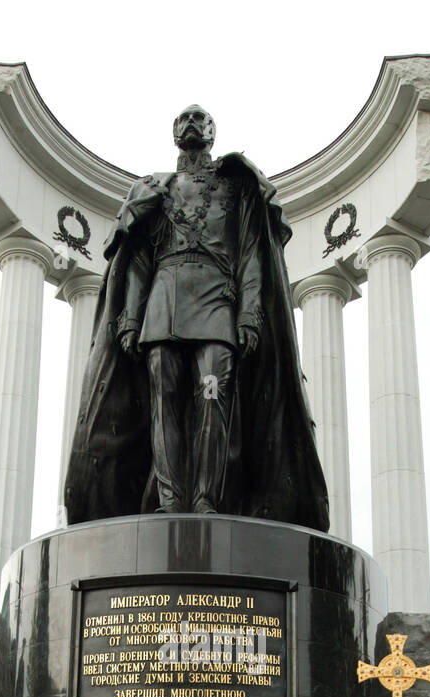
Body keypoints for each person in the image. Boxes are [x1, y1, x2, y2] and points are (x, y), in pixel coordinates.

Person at [64, 105, 329, 531]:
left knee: (212, 396)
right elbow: (137, 259)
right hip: (163, 299)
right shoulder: (154, 189)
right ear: (174, 134)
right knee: (163, 401)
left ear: (212, 132)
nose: (191, 123)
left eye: (200, 119)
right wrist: (131, 316)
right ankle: (169, 501)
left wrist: (248, 314)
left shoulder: (235, 188)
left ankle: (207, 499)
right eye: (183, 119)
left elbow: (249, 256)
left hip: (216, 298)